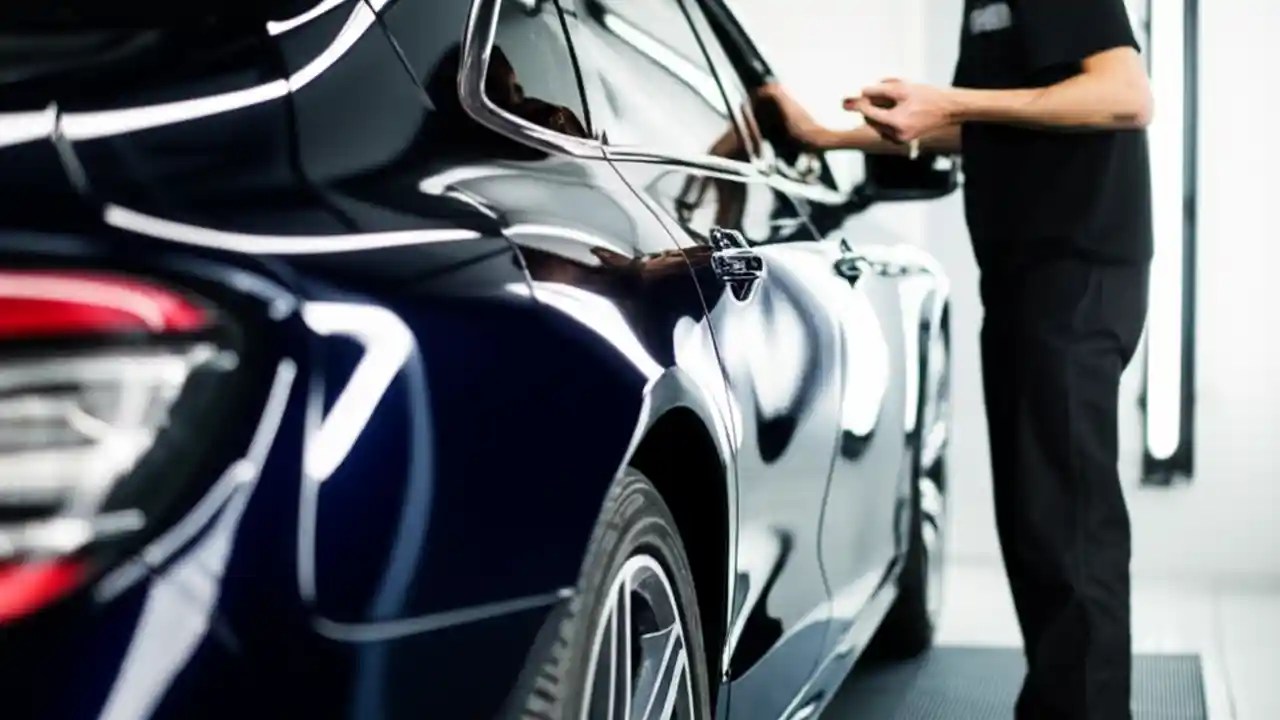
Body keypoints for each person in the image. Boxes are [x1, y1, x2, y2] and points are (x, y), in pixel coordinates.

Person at [764, 2, 1153, 718]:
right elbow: (994, 125)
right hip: (1021, 277)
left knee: (1067, 525)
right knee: (1037, 522)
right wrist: (828, 135)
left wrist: (951, 100)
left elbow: (1126, 95)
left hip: (1076, 273)